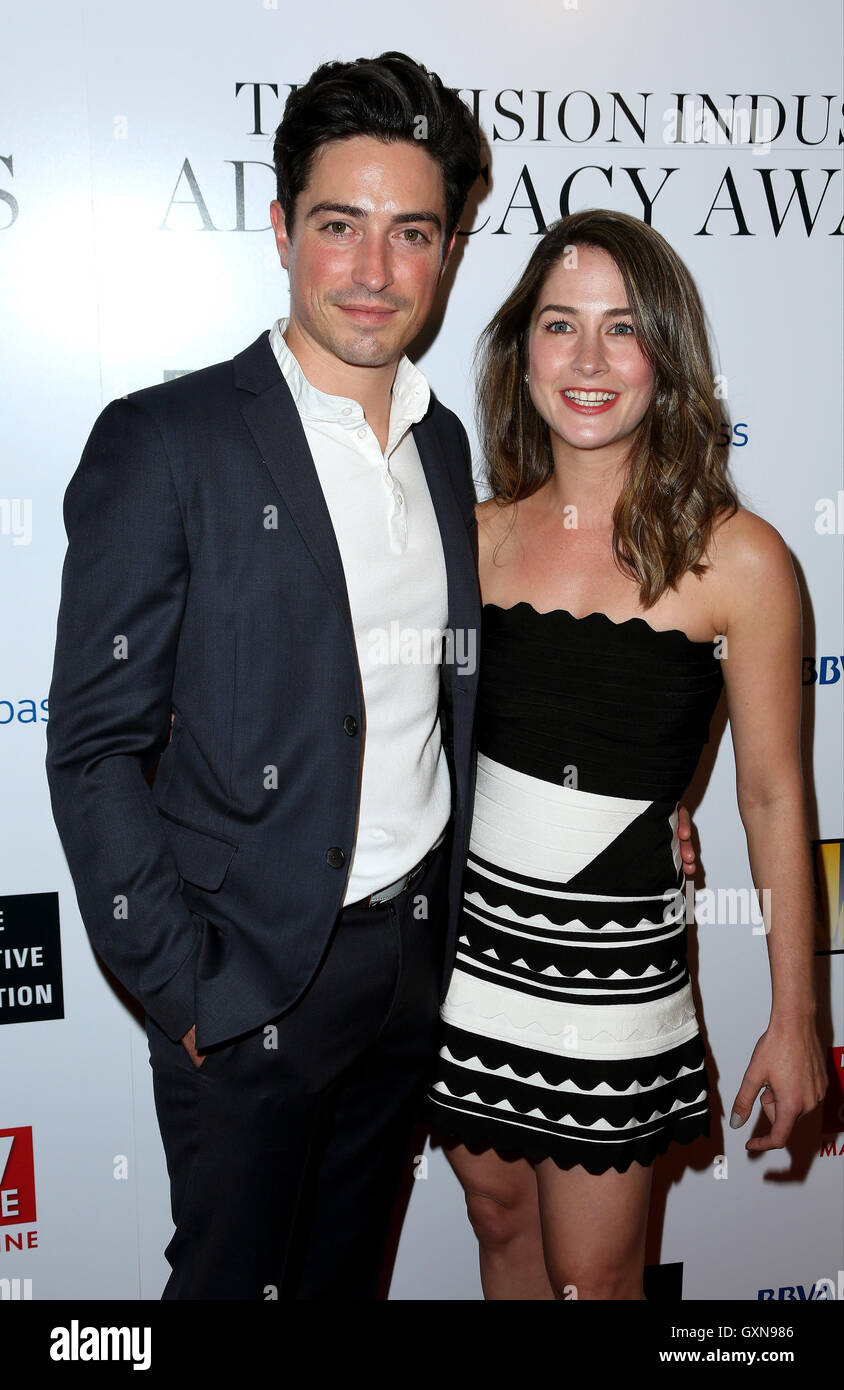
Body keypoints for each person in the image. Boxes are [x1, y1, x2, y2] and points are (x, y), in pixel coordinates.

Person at [44, 51, 485, 1301]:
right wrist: (186, 986)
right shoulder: (165, 441)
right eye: (339, 226)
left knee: (345, 1282)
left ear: (446, 251)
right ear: (283, 227)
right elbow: (92, 747)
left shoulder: (445, 448)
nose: (372, 271)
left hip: (407, 970)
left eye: (411, 233)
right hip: (246, 981)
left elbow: (445, 695)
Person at [425, 209, 827, 1301]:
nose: (589, 361)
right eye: (560, 326)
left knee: (594, 1282)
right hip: (469, 964)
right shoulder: (469, 534)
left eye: (619, 328)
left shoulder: (738, 559)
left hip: (612, 987)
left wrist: (795, 1021)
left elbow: (775, 794)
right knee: (497, 1227)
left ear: (667, 353)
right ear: (522, 350)